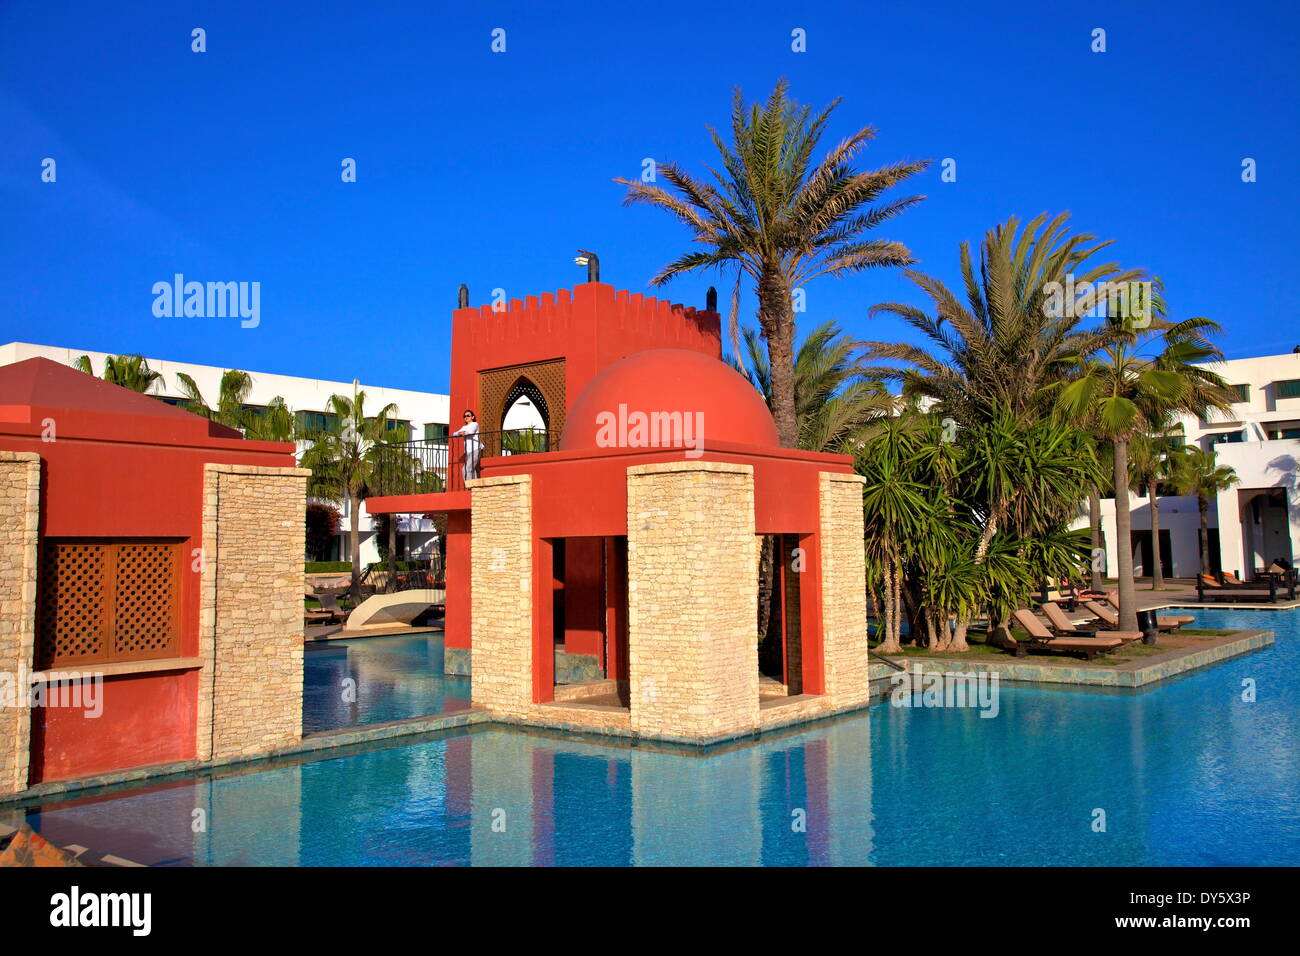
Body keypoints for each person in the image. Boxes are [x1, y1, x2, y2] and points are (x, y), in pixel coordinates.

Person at [453, 409, 481, 485]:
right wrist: (461, 433)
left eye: (468, 415)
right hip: (468, 451)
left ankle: (470, 486)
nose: (466, 417)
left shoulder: (475, 424)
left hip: (475, 449)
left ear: (472, 417)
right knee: (469, 469)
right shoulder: (464, 427)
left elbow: (470, 432)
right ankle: (474, 486)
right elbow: (454, 434)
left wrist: (462, 433)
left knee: (467, 468)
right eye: (464, 416)